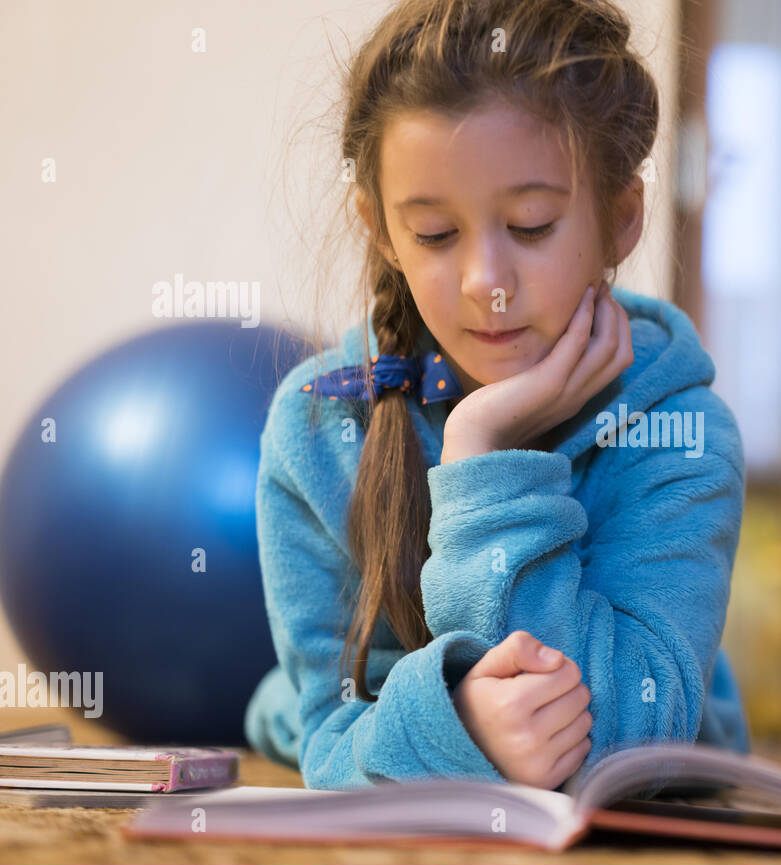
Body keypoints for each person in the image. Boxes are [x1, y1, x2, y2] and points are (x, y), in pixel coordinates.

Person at [243, 0, 749, 792]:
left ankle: (265, 705)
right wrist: (464, 724)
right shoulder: (318, 427)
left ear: (620, 218)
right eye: (437, 235)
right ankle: (266, 704)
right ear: (380, 229)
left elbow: (623, 736)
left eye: (533, 224)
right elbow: (333, 744)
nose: (489, 286)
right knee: (287, 712)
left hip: (674, 772)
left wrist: (482, 450)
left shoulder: (678, 429)